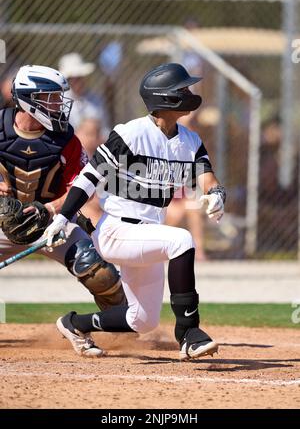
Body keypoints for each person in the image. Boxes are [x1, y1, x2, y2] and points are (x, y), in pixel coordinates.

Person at [45, 63, 226, 360]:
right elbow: (89, 178)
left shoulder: (190, 141)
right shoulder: (130, 133)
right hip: (118, 230)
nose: (190, 94)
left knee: (142, 320)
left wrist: (216, 195)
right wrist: (62, 218)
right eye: (182, 89)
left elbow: (208, 179)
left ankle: (74, 324)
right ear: (164, 98)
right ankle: (189, 333)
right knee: (182, 240)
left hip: (147, 234)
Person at [0, 65, 126, 354]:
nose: (59, 104)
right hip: (2, 223)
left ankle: (123, 325)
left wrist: (51, 208)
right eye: (51, 98)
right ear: (30, 100)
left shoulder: (66, 139)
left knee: (97, 270)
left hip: (52, 224)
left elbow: (81, 186)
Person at [58, 53, 110, 137]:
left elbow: (105, 128)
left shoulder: (96, 99)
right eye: (72, 78)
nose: (77, 81)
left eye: (80, 77)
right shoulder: (60, 101)